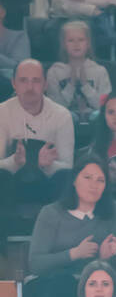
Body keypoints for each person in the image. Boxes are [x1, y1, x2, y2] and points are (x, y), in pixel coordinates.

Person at [0, 59, 74, 210]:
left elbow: (68, 165)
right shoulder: (2, 112)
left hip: (48, 182)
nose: (30, 87)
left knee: (66, 178)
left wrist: (46, 165)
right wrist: (15, 161)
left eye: (36, 81)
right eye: (23, 80)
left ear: (45, 84)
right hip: (12, 180)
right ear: (14, 83)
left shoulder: (61, 115)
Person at [46, 20, 110, 126]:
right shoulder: (55, 72)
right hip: (65, 121)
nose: (76, 44)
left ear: (88, 43)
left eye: (81, 40)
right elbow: (55, 108)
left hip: (94, 120)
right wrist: (70, 85)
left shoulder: (99, 71)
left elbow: (104, 106)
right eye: (71, 40)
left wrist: (86, 86)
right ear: (64, 44)